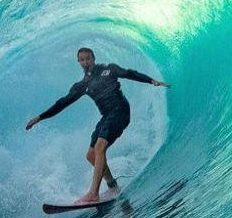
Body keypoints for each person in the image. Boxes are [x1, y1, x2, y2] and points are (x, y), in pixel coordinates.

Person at [26, 47, 169, 204]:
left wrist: (151, 81)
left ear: (93, 58)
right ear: (78, 62)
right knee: (91, 155)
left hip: (120, 110)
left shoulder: (109, 69)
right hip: (107, 116)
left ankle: (93, 193)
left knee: (100, 147)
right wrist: (39, 117)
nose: (85, 62)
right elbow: (62, 103)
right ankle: (112, 186)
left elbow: (129, 73)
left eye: (88, 58)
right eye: (82, 59)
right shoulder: (81, 85)